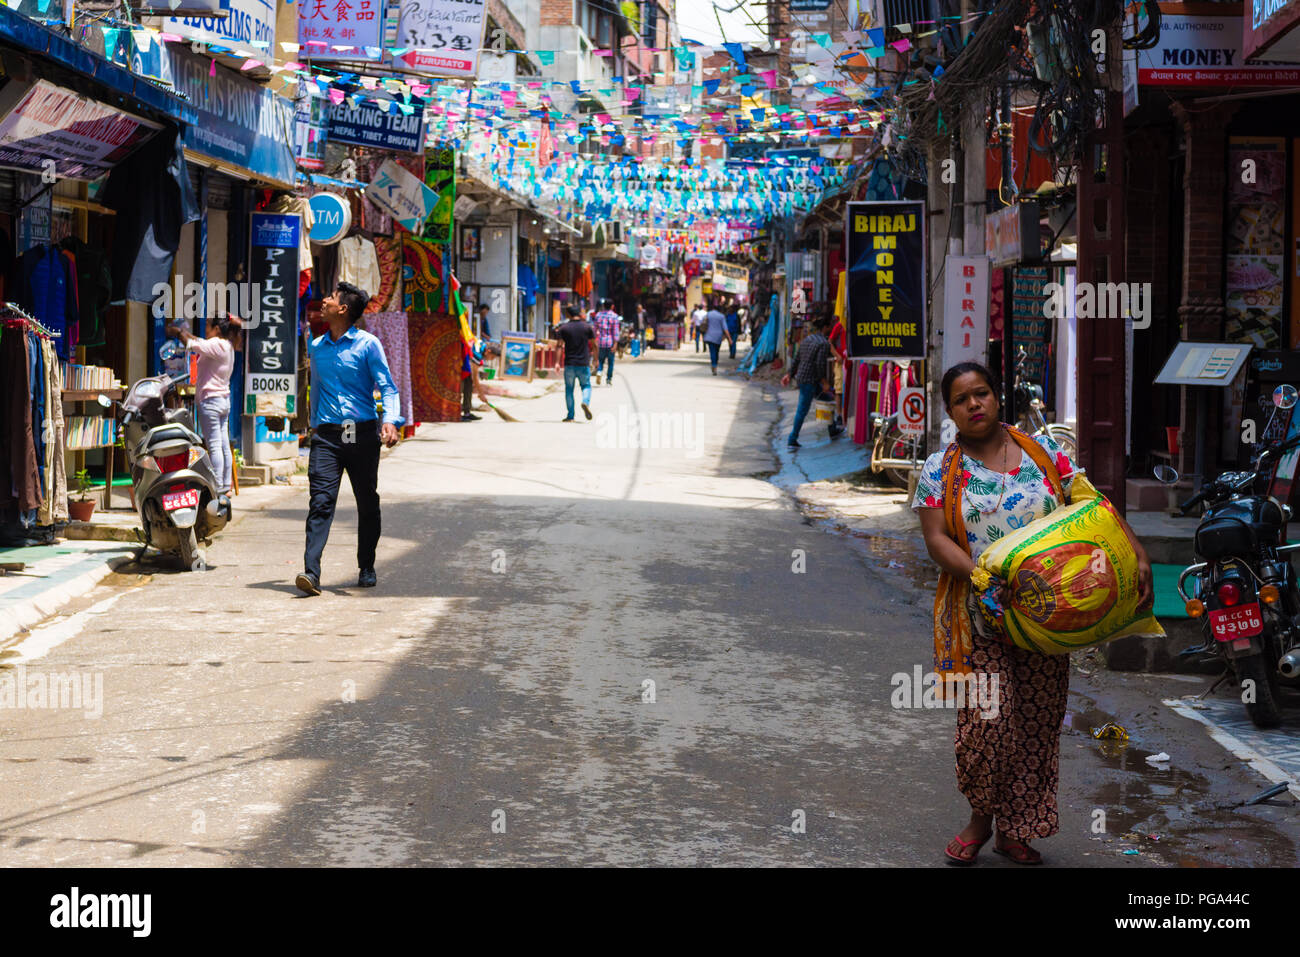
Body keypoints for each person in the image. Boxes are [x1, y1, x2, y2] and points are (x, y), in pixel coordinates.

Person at [914, 362, 1153, 866]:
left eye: (982, 393)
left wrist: (1137, 553)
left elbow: (1094, 506)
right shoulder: (940, 468)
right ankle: (981, 818)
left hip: (1050, 620)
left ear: (998, 397)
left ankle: (1016, 829)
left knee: (1038, 725)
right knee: (988, 724)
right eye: (962, 399)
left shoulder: (1044, 455)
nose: (974, 404)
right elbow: (936, 538)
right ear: (950, 410)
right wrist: (980, 576)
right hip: (980, 615)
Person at [296, 282, 403, 597]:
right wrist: (313, 426)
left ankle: (366, 565)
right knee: (321, 502)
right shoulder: (316, 346)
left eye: (330, 298)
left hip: (362, 433)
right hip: (327, 436)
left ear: (343, 309)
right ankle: (311, 573)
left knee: (367, 502)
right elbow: (314, 389)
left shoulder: (368, 345)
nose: (324, 301)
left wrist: (391, 421)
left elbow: (387, 386)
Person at [165, 315, 242, 495]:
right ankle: (225, 484)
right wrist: (185, 333)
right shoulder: (226, 346)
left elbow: (191, 344)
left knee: (214, 444)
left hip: (211, 401)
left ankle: (216, 486)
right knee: (222, 444)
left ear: (216, 329)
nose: (205, 328)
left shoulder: (216, 345)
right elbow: (197, 341)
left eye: (208, 325)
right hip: (222, 400)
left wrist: (177, 331)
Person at [780, 315, 832, 448]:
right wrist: (824, 381)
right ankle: (792, 438)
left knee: (826, 400)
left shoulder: (807, 339)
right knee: (802, 409)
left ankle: (832, 429)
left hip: (803, 377)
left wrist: (789, 374)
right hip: (810, 380)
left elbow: (797, 359)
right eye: (829, 327)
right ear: (825, 328)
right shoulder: (824, 343)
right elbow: (819, 365)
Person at [556, 304, 596, 422]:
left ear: (568, 314)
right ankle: (585, 401)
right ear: (579, 313)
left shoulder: (563, 328)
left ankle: (570, 416)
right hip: (583, 363)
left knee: (569, 389)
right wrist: (596, 359)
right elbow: (595, 344)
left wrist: (557, 363)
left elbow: (559, 346)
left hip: (569, 363)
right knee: (586, 386)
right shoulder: (587, 327)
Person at [592, 299, 620, 386]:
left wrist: (594, 340)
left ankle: (599, 371)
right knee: (610, 362)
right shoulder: (614, 316)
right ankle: (608, 380)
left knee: (600, 360)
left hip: (600, 342)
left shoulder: (598, 315)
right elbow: (615, 331)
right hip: (610, 342)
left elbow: (594, 329)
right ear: (612, 306)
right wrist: (616, 344)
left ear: (603, 306)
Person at [701, 298, 732, 376]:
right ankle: (715, 365)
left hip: (709, 336)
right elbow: (725, 329)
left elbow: (703, 323)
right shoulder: (721, 316)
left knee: (712, 351)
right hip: (718, 337)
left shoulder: (708, 314)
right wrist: (729, 339)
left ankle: (713, 365)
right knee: (716, 352)